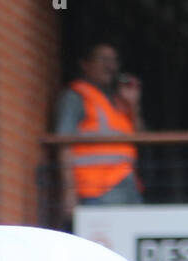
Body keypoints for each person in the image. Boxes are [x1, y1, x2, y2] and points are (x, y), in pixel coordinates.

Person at [55, 39, 143, 220]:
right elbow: (63, 143)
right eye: (103, 59)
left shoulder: (119, 101)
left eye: (113, 61)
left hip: (128, 187)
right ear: (85, 64)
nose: (110, 66)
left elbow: (141, 138)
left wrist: (133, 105)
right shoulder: (76, 97)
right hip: (97, 190)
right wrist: (69, 191)